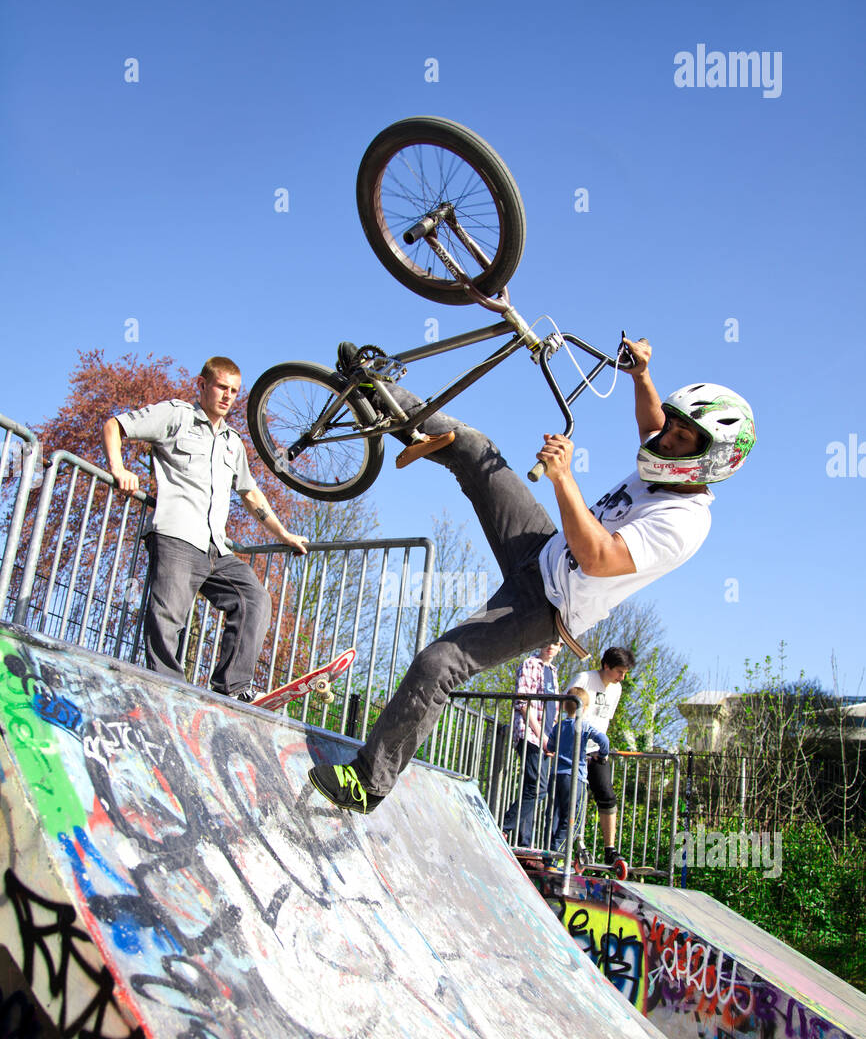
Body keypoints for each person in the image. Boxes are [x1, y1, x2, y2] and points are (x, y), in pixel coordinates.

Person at [309, 337, 755, 812]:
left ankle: (367, 784)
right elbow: (653, 424)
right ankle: (375, 391)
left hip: (548, 605)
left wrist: (564, 479)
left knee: (438, 665)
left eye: (681, 438)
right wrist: (641, 374)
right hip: (540, 546)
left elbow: (598, 559)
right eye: (674, 428)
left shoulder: (683, 521)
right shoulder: (668, 458)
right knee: (477, 452)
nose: (665, 440)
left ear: (711, 460)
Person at [102, 356, 309, 699]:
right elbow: (115, 425)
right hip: (176, 537)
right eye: (221, 387)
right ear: (201, 385)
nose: (227, 396)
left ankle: (233, 687)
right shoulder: (176, 416)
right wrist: (119, 468)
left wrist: (283, 534)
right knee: (169, 615)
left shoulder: (233, 442)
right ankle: (168, 689)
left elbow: (250, 493)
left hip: (217, 547)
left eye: (234, 391)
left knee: (254, 599)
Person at [573, 646, 635, 864]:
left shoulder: (616, 690)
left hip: (597, 750)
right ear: (606, 666)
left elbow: (605, 720)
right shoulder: (585, 679)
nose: (622, 677)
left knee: (606, 795)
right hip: (575, 749)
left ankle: (610, 850)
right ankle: (568, 844)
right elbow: (568, 708)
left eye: (625, 673)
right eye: (619, 672)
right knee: (573, 798)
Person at [501, 639, 562, 847]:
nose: (550, 646)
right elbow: (523, 703)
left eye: (555, 644)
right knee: (538, 788)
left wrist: (552, 739)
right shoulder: (530, 664)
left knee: (532, 787)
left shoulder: (553, 671)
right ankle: (502, 825)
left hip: (546, 737)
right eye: (547, 642)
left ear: (560, 648)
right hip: (531, 733)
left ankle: (523, 843)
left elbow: (554, 709)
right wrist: (542, 736)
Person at [545, 687, 610, 862]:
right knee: (574, 819)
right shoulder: (584, 726)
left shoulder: (558, 727)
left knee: (554, 815)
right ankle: (556, 855)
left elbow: (550, 747)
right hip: (576, 777)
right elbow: (604, 740)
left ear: (565, 706)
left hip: (556, 775)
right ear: (585, 707)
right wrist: (602, 755)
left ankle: (547, 855)